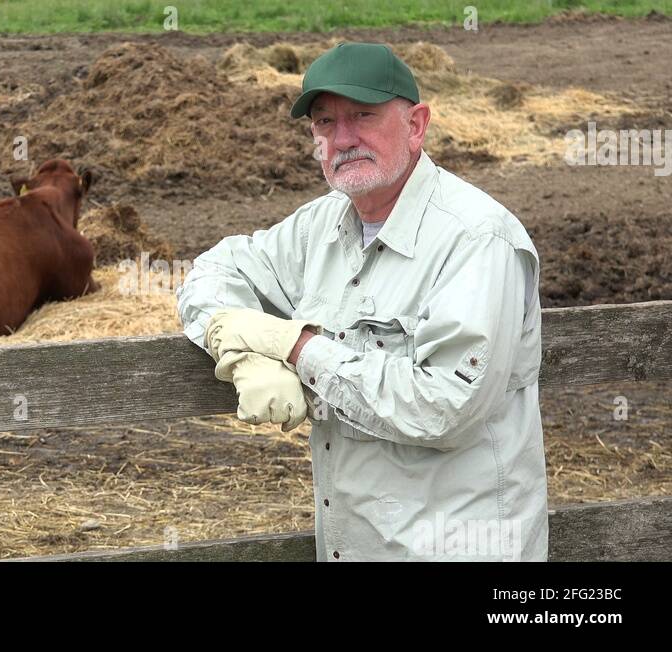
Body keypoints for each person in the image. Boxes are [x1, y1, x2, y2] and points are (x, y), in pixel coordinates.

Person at [176, 42, 548, 561]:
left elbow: (443, 407)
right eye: (325, 122)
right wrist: (239, 350)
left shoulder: (476, 240)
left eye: (363, 117)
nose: (342, 139)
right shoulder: (323, 226)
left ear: (416, 125)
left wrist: (298, 350)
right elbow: (214, 270)